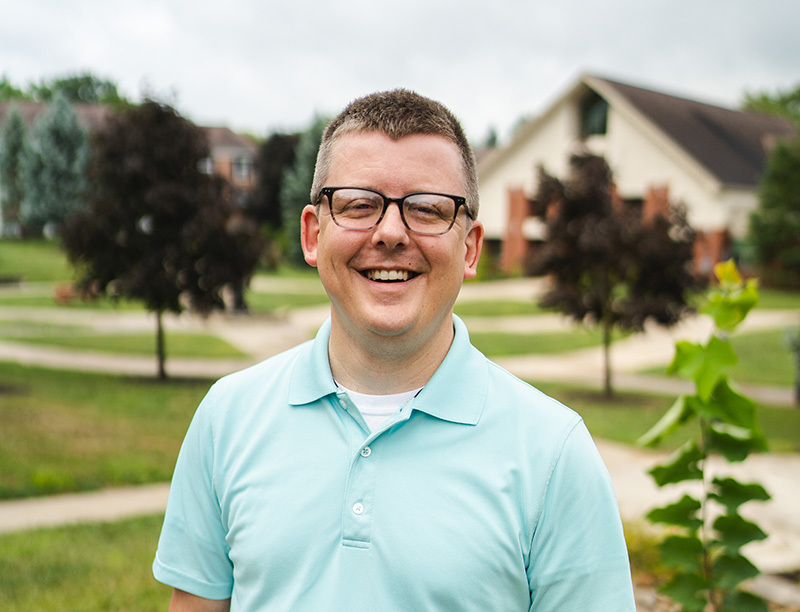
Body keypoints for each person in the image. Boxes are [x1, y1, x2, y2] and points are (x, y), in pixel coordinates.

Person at [153, 89, 636, 611]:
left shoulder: (554, 454)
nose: (389, 233)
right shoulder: (226, 417)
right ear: (313, 234)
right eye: (359, 205)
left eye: (426, 209)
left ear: (470, 247)